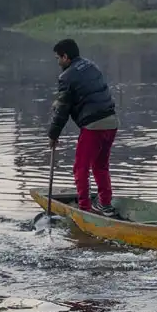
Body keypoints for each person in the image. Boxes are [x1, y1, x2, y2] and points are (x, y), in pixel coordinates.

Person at [47, 39, 119, 216]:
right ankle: (105, 204)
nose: (58, 62)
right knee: (100, 165)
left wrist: (53, 134)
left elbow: (63, 111)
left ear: (66, 57)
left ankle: (85, 209)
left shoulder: (66, 77)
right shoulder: (91, 66)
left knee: (81, 168)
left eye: (58, 58)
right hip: (111, 121)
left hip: (93, 126)